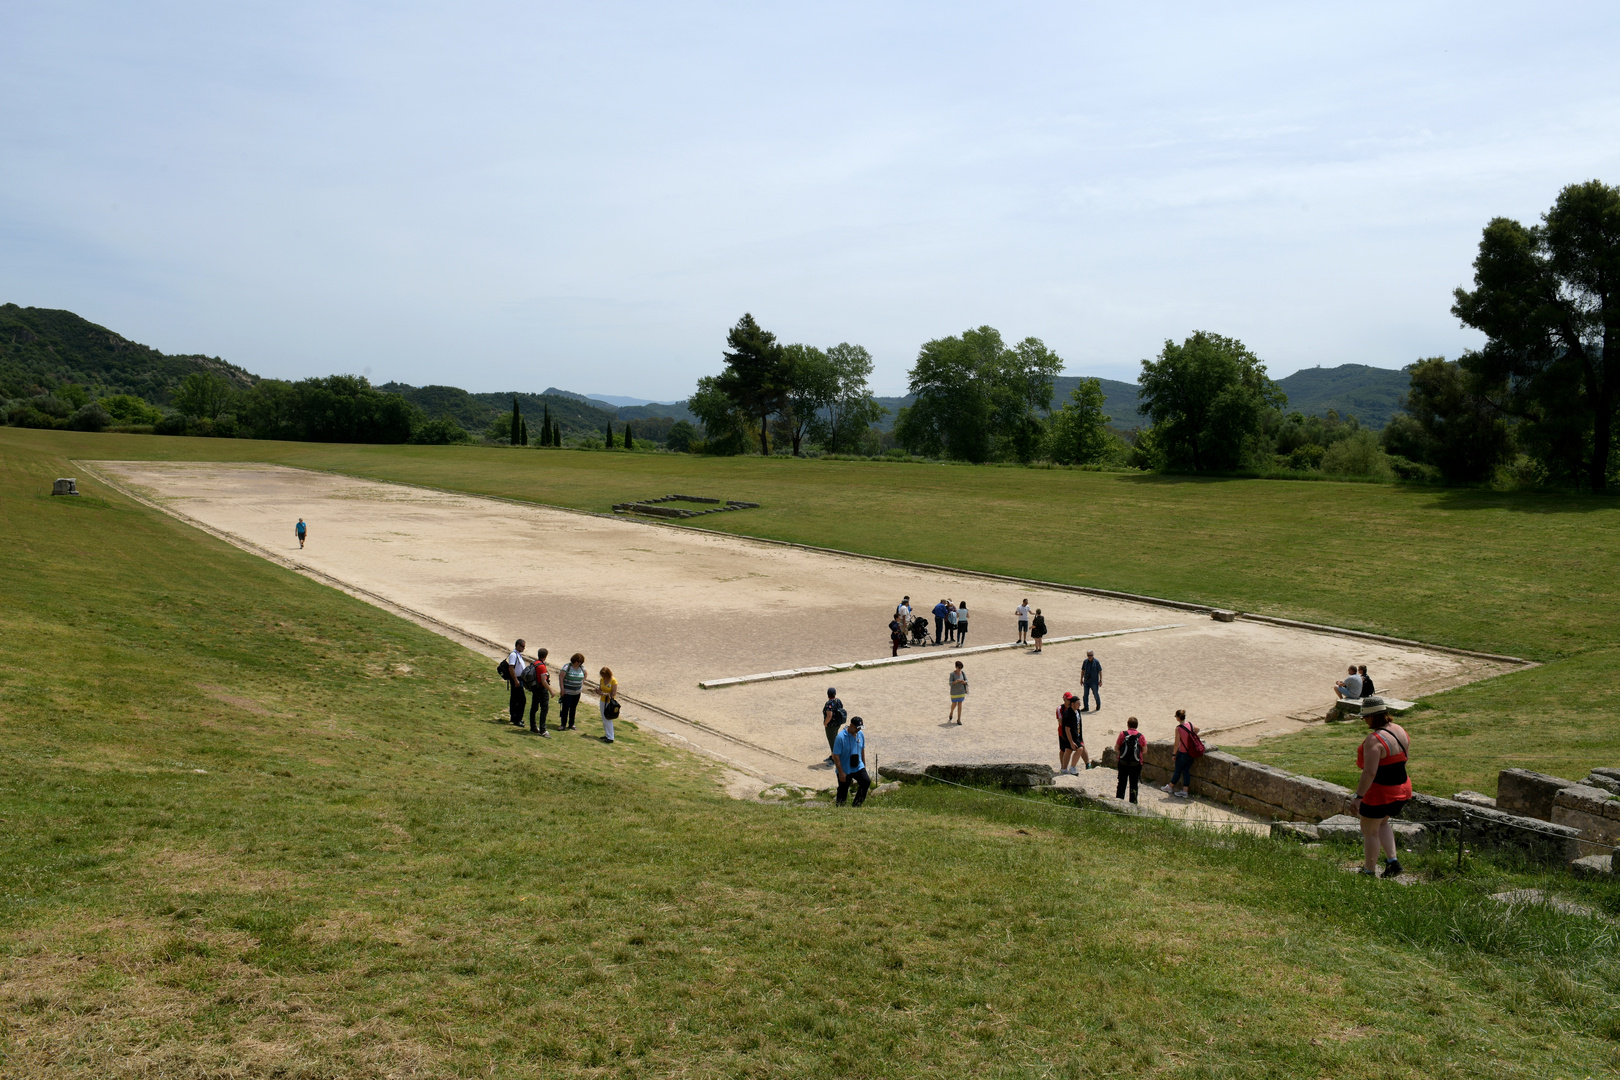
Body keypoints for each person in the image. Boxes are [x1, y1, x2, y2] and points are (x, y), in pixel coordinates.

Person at [1353, 697, 1411, 878]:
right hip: (1402, 788)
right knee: (1383, 822)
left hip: (1380, 792)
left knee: (1369, 832)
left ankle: (1368, 870)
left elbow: (1369, 772)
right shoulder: (1399, 730)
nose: (1364, 721)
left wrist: (1358, 796)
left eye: (1365, 717)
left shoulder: (1374, 740)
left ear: (1372, 717)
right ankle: (1393, 862)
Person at [833, 715, 871, 806]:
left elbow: (862, 749)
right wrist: (841, 772)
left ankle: (857, 804)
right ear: (851, 725)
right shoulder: (840, 737)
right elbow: (836, 756)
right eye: (857, 728)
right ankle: (840, 808)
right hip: (845, 768)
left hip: (858, 766)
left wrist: (864, 765)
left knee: (866, 781)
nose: (859, 730)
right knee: (843, 791)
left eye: (860, 728)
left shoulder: (860, 734)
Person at [1163, 709, 1199, 798]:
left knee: (1178, 770)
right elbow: (1197, 729)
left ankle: (1170, 787)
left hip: (1183, 753)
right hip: (1191, 753)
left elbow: (1176, 744)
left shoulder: (1178, 728)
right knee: (1186, 771)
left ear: (1178, 718)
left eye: (1176, 716)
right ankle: (1185, 791)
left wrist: (1174, 754)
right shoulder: (1190, 724)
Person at [1115, 717, 1144, 803]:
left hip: (1123, 762)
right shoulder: (1140, 736)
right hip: (1136, 764)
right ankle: (1133, 804)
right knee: (1134, 784)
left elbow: (1116, 748)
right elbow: (1145, 750)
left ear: (1128, 725)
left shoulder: (1123, 734)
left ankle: (1118, 802)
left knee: (1121, 784)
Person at [525, 647, 552, 736]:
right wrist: (551, 691)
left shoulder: (535, 663)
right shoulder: (541, 666)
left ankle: (533, 727)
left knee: (534, 707)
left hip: (535, 688)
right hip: (541, 689)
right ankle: (543, 730)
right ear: (546, 656)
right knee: (544, 709)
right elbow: (543, 681)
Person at [1057, 692, 1086, 774]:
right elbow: (1067, 729)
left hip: (1076, 735)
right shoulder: (1068, 714)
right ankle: (1072, 768)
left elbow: (1078, 724)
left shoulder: (1078, 712)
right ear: (1072, 704)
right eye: (1078, 703)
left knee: (1068, 750)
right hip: (1070, 736)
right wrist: (1071, 741)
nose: (1079, 705)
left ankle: (1064, 769)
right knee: (1079, 749)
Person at [558, 652, 587, 730]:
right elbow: (561, 678)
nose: (579, 663)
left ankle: (571, 724)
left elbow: (585, 674)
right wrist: (562, 689)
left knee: (573, 708)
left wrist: (582, 682)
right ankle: (563, 724)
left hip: (577, 692)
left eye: (580, 662)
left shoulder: (582, 668)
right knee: (565, 707)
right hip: (568, 692)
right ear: (574, 660)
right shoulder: (567, 667)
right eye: (578, 661)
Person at [505, 639, 528, 728]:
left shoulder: (517, 655)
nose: (523, 648)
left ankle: (514, 717)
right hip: (517, 679)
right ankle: (517, 719)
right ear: (518, 645)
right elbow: (511, 668)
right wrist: (516, 680)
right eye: (522, 646)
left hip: (519, 679)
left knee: (515, 699)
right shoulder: (514, 655)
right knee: (522, 700)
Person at [822, 688, 847, 762]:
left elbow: (829, 716)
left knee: (832, 741)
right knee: (835, 739)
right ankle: (832, 755)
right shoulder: (838, 701)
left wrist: (825, 723)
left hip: (831, 725)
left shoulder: (829, 703)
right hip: (837, 723)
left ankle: (834, 759)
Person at [597, 667, 618, 742]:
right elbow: (600, 689)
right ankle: (607, 734)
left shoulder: (613, 681)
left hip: (609, 702)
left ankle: (610, 737)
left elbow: (613, 693)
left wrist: (605, 694)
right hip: (602, 701)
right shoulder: (602, 680)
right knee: (604, 718)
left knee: (608, 718)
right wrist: (597, 690)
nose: (603, 677)